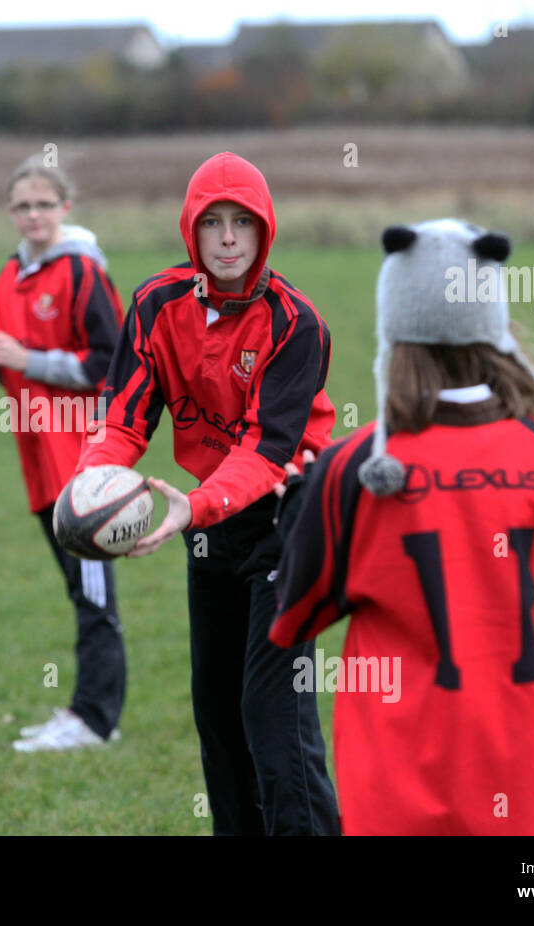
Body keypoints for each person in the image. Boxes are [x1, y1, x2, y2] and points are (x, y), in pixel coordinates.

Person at [270, 219, 534, 835]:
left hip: (397, 774)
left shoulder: (357, 468)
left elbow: (295, 615)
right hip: (526, 770)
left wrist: (297, 508)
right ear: (495, 328)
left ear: (394, 331)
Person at [73, 152, 340, 835]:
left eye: (242, 224)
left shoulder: (296, 323)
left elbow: (268, 451)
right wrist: (94, 475)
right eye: (212, 222)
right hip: (210, 521)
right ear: (190, 230)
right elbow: (126, 416)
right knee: (217, 716)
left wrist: (194, 507)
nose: (227, 238)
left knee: (271, 715)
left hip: (289, 518)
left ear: (264, 231)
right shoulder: (156, 305)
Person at [0, 156, 128, 752]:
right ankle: (84, 713)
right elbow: (23, 371)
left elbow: (110, 363)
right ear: (10, 213)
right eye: (22, 206)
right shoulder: (7, 278)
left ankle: (93, 720)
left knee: (93, 595)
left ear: (65, 208)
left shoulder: (83, 273)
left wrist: (26, 360)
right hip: (38, 458)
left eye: (44, 204)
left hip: (82, 462)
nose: (33, 215)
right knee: (76, 589)